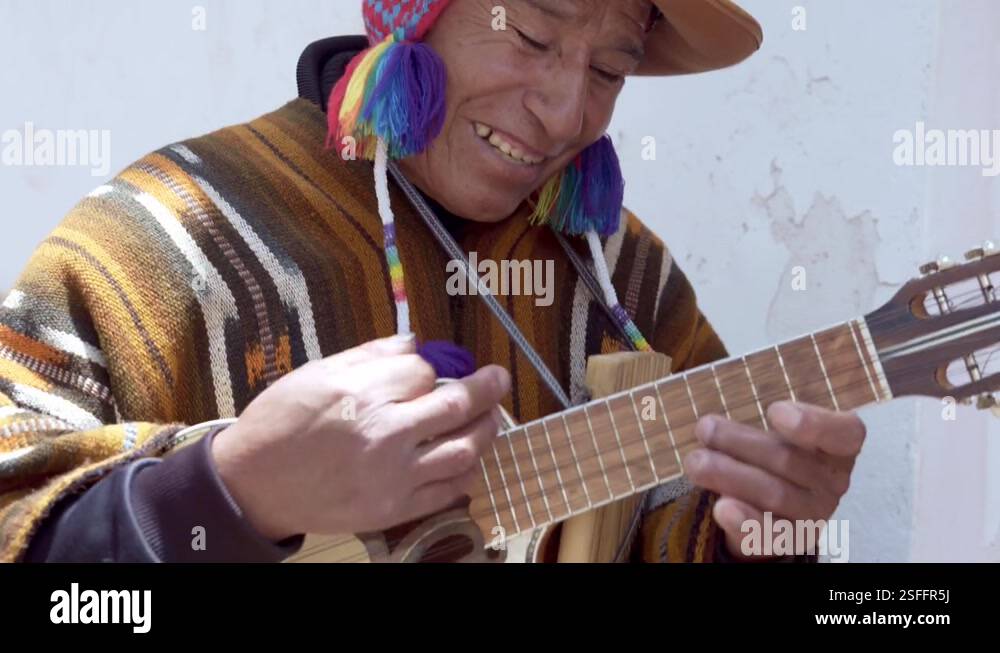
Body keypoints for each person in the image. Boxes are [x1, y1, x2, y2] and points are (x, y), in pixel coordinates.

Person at [0, 0, 865, 563]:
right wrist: (233, 488)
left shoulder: (623, 283)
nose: (567, 113)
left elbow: (686, 533)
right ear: (413, 15)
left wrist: (765, 537)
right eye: (531, 36)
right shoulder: (167, 238)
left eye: (608, 71)